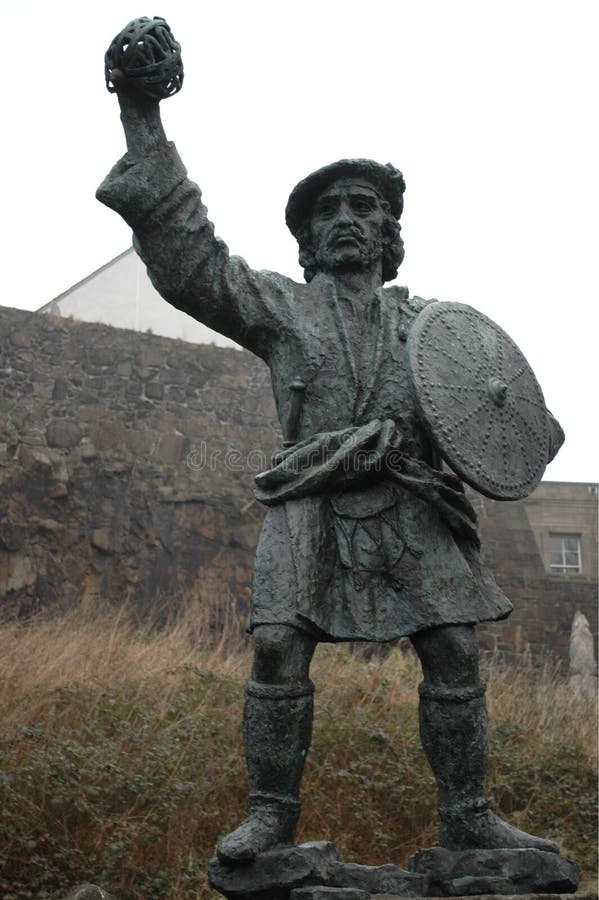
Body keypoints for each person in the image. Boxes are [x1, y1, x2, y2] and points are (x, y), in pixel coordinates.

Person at [98, 83, 560, 865]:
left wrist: (514, 432)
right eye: (327, 211)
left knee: (453, 649)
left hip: (410, 502)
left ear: (388, 231)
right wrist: (143, 116)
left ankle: (469, 817)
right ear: (308, 241)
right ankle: (271, 819)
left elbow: (507, 419)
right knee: (276, 645)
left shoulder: (431, 331)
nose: (344, 217)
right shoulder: (279, 309)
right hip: (309, 499)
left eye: (362, 204)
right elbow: (189, 262)